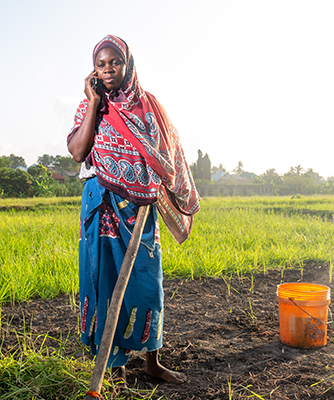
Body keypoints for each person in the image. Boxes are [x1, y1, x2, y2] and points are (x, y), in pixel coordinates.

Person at [67, 34, 200, 384]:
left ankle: (152, 363)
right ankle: (115, 366)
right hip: (100, 207)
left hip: (139, 209)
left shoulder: (149, 107)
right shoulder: (88, 109)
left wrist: (153, 182)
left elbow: (168, 154)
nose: (109, 69)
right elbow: (79, 152)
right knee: (104, 283)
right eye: (101, 64)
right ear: (93, 70)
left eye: (115, 62)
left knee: (146, 285)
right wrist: (95, 103)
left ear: (128, 65)